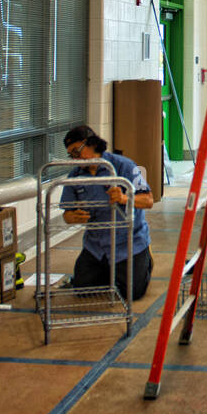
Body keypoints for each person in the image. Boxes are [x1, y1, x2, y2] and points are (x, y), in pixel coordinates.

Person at [59, 124, 154, 300]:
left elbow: (148, 201)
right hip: (96, 245)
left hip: (128, 243)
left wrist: (125, 197)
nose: (75, 158)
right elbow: (67, 213)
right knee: (82, 289)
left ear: (91, 144)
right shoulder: (75, 176)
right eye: (71, 155)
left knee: (133, 293)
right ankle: (107, 271)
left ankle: (144, 262)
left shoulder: (124, 166)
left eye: (77, 152)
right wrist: (72, 217)